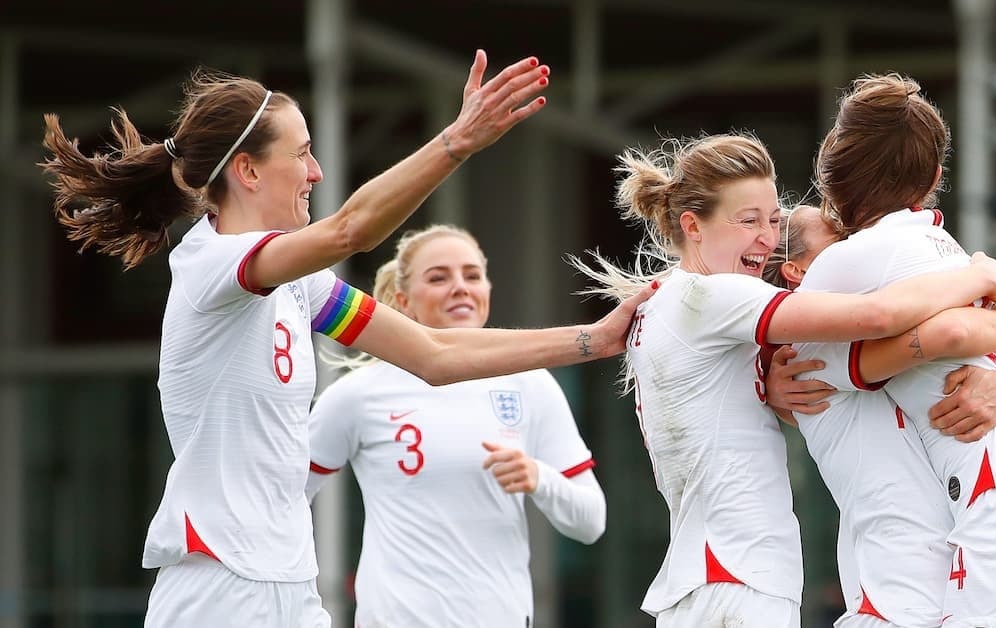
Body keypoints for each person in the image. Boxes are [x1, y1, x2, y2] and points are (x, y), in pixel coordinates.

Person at [39, 52, 653, 628]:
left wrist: (592, 341)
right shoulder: (212, 264)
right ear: (248, 170)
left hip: (291, 580)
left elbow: (433, 356)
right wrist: (456, 141)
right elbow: (352, 230)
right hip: (217, 581)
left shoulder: (298, 284)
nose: (316, 172)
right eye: (302, 154)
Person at [571, 131, 996, 627]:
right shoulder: (711, 296)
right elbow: (876, 316)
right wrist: (982, 277)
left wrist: (769, 386)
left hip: (718, 577)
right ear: (692, 227)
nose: (766, 238)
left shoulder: (677, 301)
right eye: (747, 221)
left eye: (771, 220)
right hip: (735, 577)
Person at [788, 73, 996, 626]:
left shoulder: (844, 265)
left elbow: (805, 368)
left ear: (832, 172)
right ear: (936, 178)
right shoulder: (949, 253)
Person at [764, 205, 996, 627]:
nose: (859, 244)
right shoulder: (810, 348)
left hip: (943, 580)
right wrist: (991, 291)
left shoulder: (877, 329)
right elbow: (947, 334)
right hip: (893, 597)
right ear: (798, 273)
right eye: (840, 241)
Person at [304, 225, 606, 627]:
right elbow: (282, 499)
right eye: (438, 277)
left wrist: (539, 477)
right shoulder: (357, 395)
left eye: (472, 275)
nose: (460, 287)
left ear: (487, 290)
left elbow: (591, 523)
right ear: (402, 300)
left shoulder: (530, 383)